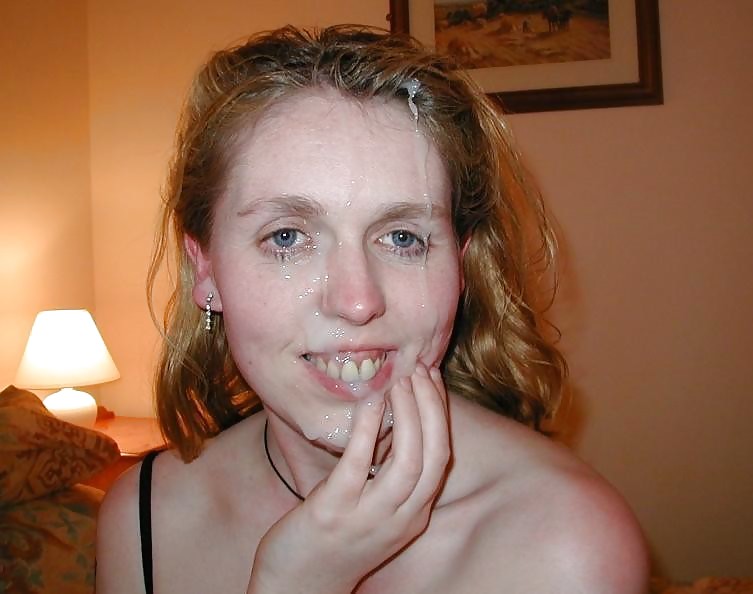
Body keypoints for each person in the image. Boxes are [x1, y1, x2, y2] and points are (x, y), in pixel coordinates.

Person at [97, 24, 649, 594]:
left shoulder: (567, 548)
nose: (358, 302)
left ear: (460, 268)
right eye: (287, 237)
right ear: (206, 270)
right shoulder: (144, 520)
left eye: (402, 238)